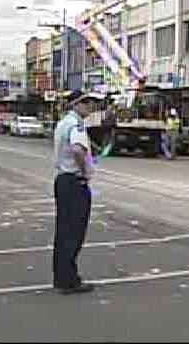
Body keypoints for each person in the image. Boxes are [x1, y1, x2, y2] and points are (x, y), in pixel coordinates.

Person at [52, 90, 103, 295]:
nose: (90, 106)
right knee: (73, 233)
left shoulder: (63, 123)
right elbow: (77, 150)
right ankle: (69, 280)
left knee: (63, 232)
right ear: (75, 104)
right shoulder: (76, 125)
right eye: (86, 102)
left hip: (62, 180)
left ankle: (61, 276)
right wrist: (85, 171)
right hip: (74, 182)